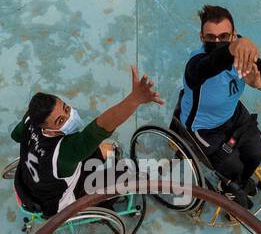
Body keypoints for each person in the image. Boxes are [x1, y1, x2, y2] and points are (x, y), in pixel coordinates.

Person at [11, 65, 164, 214]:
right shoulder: (66, 152)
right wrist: (134, 99)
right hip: (56, 202)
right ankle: (103, 210)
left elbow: (15, 136)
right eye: (60, 121)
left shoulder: (31, 118)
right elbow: (101, 127)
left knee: (104, 150)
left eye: (66, 108)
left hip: (28, 185)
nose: (69, 117)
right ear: (47, 131)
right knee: (126, 174)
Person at [175, 4, 261, 208]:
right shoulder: (196, 66)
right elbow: (214, 61)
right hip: (202, 128)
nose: (216, 42)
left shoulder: (241, 54)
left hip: (232, 116)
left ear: (233, 35)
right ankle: (228, 188)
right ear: (201, 37)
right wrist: (233, 46)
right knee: (231, 165)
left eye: (223, 37)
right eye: (210, 37)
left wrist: (259, 83)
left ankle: (241, 180)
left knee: (254, 153)